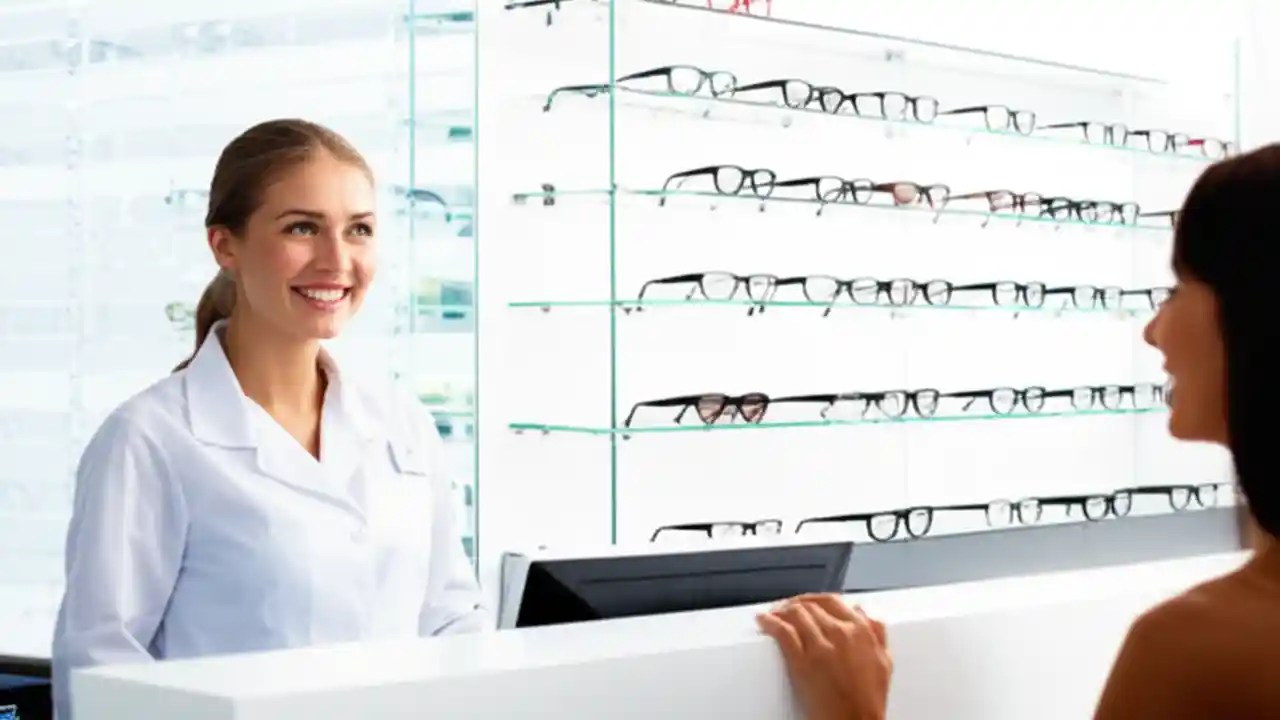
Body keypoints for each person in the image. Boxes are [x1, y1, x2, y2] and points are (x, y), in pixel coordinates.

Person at [758, 143, 1280, 719]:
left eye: (1179, 288)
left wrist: (852, 711)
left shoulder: (1197, 646)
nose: (1154, 332)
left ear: (1256, 312)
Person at [51, 119, 486, 718]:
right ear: (225, 245)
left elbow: (453, 624)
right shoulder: (150, 439)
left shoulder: (403, 426)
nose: (338, 259)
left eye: (359, 230)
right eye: (302, 228)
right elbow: (100, 670)